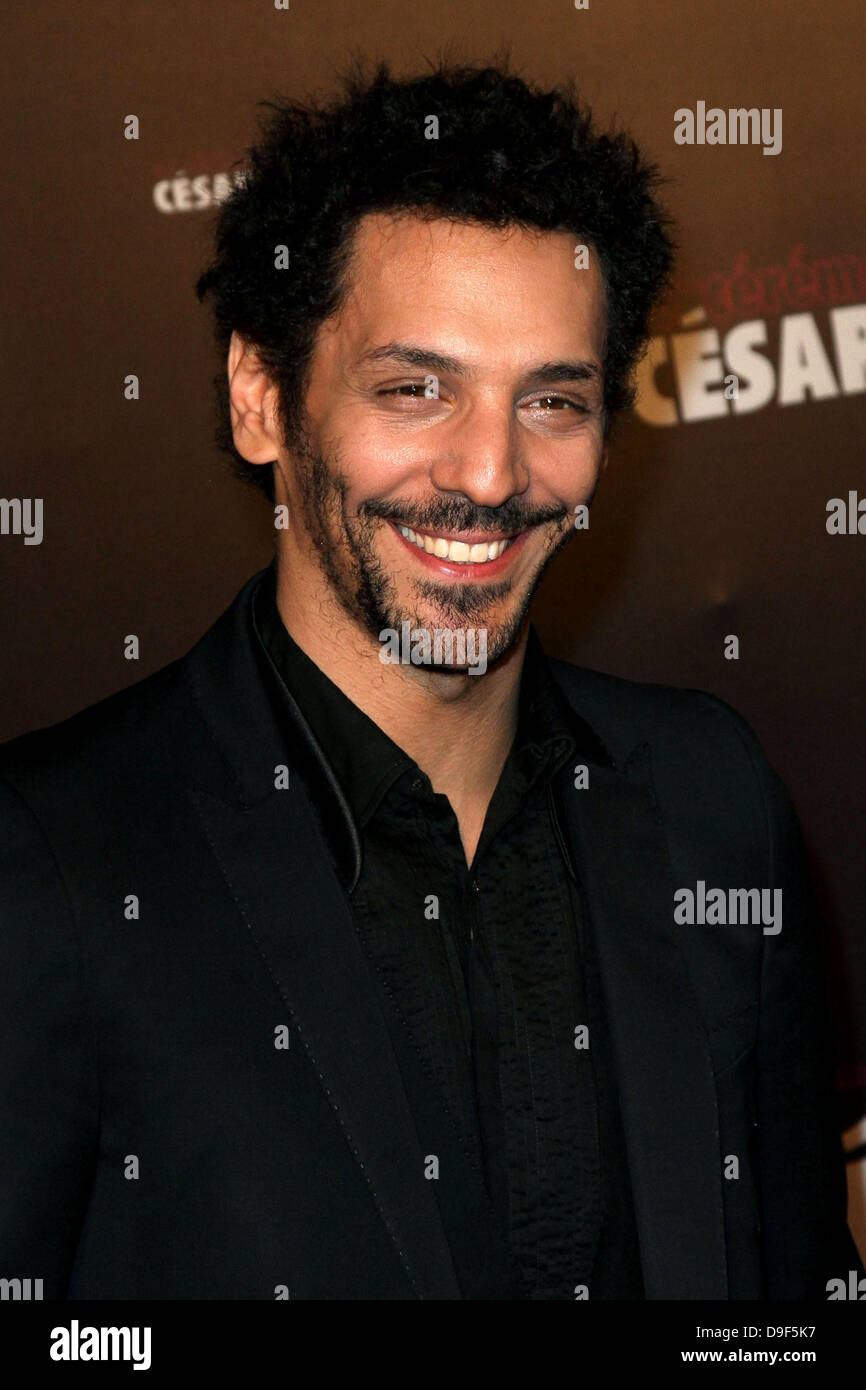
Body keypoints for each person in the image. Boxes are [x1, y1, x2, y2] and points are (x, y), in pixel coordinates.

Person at [0, 59, 860, 1300]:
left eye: (551, 400)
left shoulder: (707, 801)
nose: (489, 471)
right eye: (416, 388)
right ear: (260, 398)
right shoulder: (54, 862)